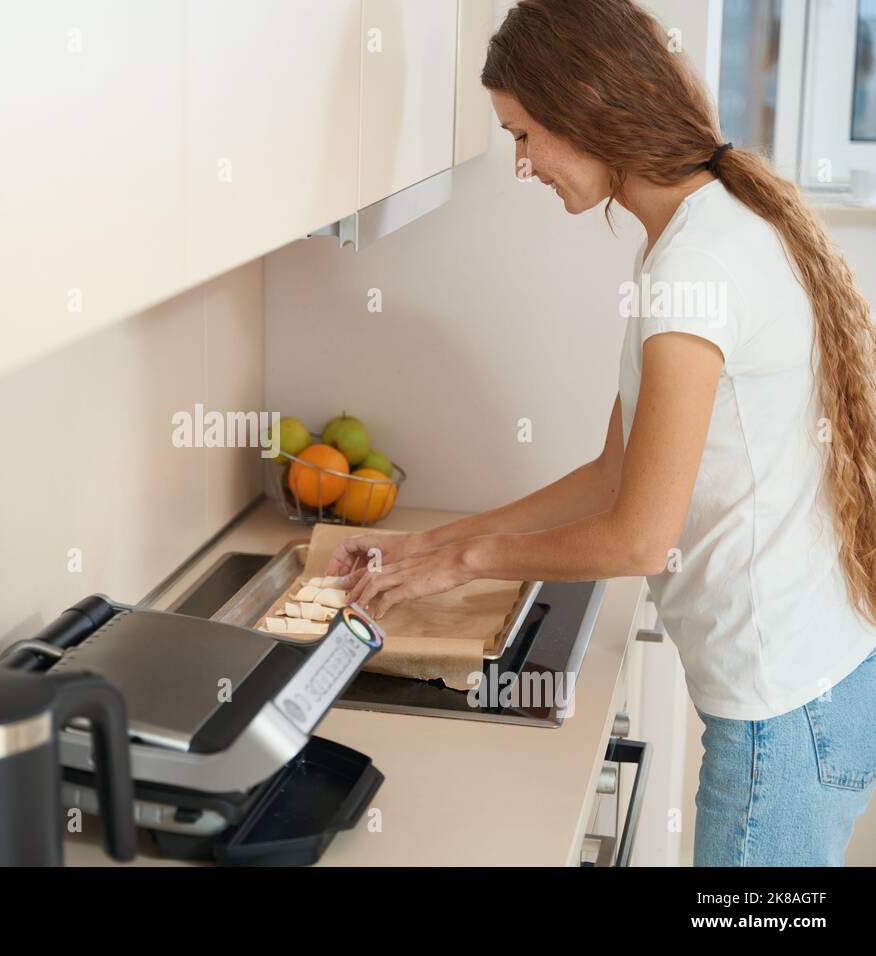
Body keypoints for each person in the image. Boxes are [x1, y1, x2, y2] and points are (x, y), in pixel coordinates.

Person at [327, 0, 876, 866]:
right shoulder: (699, 229)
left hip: (784, 719)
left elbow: (639, 537)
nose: (520, 165)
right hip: (811, 694)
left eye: (522, 134)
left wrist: (464, 565)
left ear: (584, 103)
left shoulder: (693, 266)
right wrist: (432, 544)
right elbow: (612, 474)